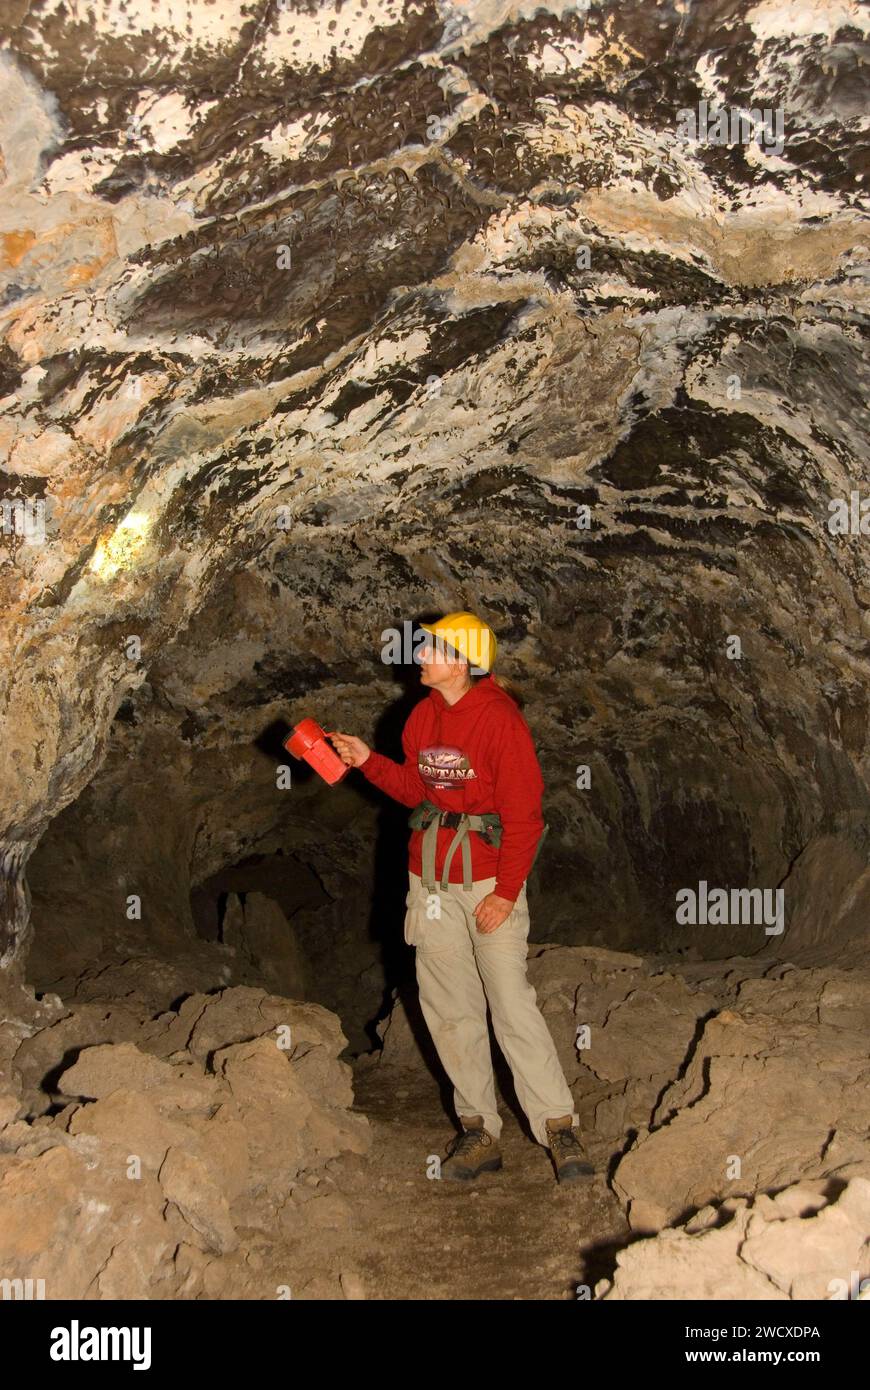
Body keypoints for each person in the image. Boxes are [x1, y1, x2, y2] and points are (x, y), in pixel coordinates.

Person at [329, 611, 594, 1184]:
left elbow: (525, 816)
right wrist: (366, 761)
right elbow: (414, 790)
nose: (418, 656)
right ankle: (478, 1130)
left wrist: (505, 892)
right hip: (429, 882)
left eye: (431, 649)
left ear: (464, 661)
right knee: (450, 1009)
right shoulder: (420, 717)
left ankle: (557, 1125)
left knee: (510, 1002)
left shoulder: (500, 721)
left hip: (486, 880)